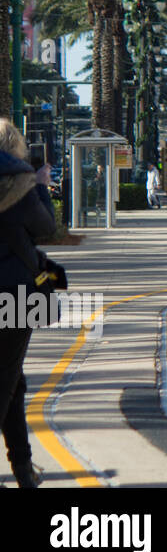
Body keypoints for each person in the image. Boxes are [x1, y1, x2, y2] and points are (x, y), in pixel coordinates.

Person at [0, 118, 56, 487]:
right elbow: (47, 229)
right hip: (18, 296)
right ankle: (23, 470)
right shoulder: (22, 180)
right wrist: (42, 188)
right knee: (7, 380)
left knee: (13, 382)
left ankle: (23, 468)